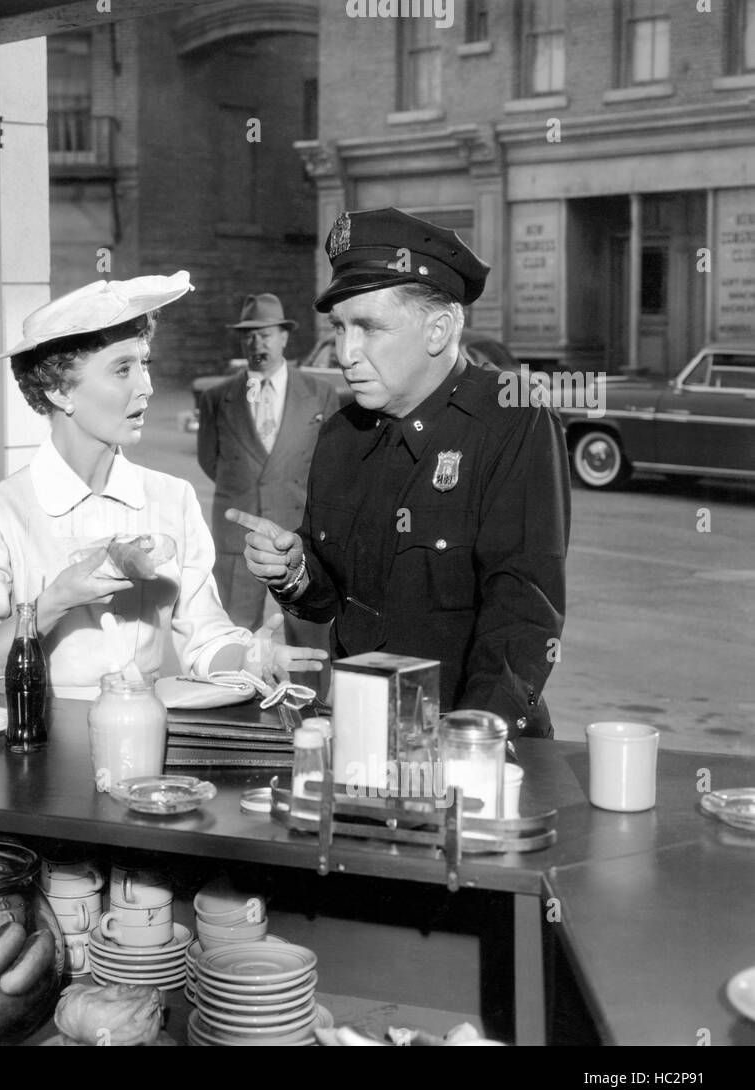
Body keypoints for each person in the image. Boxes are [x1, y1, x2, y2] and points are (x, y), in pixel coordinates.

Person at [231, 208, 570, 738]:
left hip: (470, 735)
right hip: (361, 733)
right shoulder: (343, 434)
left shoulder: (511, 418)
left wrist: (471, 743)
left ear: (437, 329)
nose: (346, 353)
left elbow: (522, 616)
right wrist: (294, 569)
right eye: (340, 328)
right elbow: (330, 602)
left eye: (369, 328)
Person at [0, 272, 326, 703]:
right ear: (59, 389)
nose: (147, 387)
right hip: (36, 747)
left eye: (145, 364)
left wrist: (250, 658)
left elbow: (206, 637)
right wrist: (54, 601)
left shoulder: (172, 499)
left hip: (146, 743)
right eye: (123, 369)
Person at [197, 294, 338, 655]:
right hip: (236, 541)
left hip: (299, 537)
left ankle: (311, 709)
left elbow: (329, 465)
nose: (258, 343)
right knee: (232, 641)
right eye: (250, 335)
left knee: (309, 644)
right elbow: (210, 460)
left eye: (267, 334)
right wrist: (246, 487)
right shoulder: (217, 399)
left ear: (284, 338)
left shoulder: (319, 395)